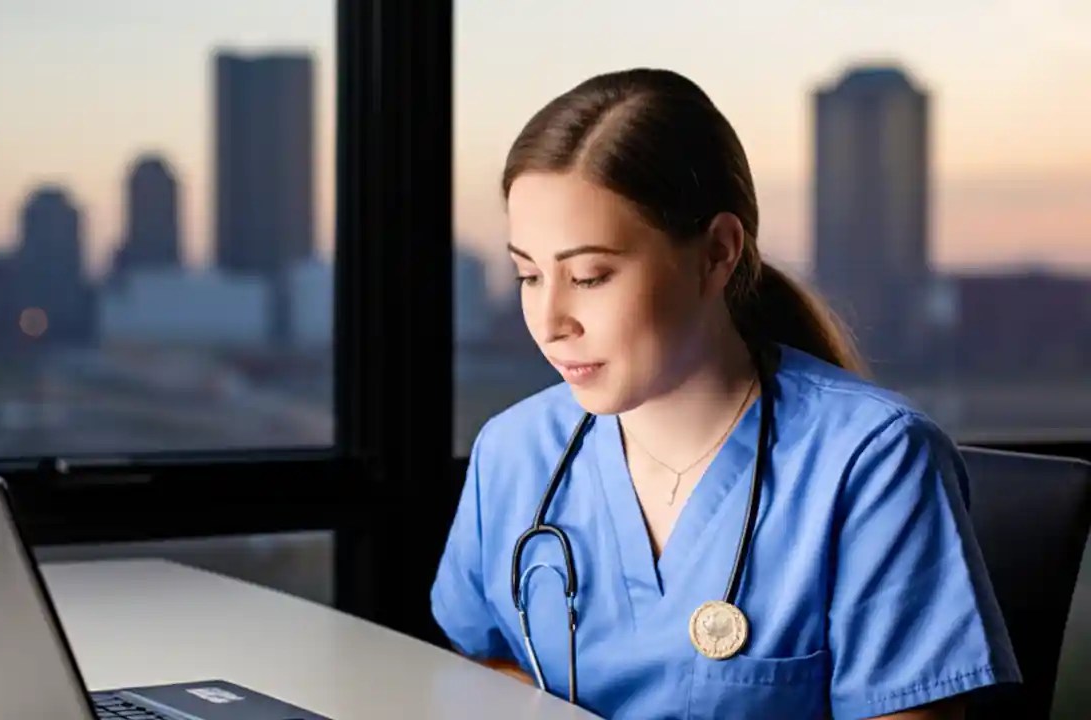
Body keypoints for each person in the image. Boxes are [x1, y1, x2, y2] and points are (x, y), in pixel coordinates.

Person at [430, 68, 1020, 719]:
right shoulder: (513, 453)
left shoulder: (872, 463)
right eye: (528, 274)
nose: (550, 321)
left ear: (716, 253)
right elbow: (472, 669)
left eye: (591, 276)